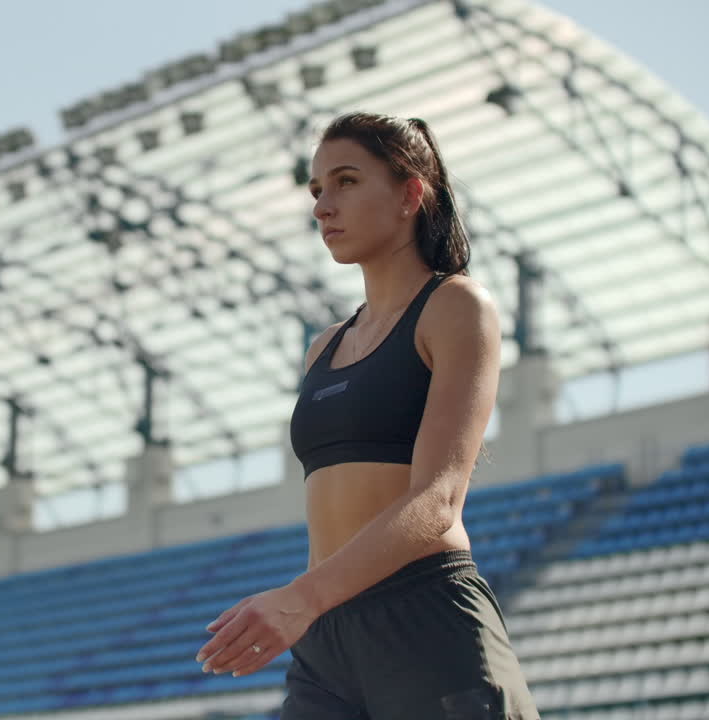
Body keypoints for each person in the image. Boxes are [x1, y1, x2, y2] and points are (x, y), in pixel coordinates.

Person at [193, 111, 539, 719]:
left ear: (411, 193)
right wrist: (311, 605)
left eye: (347, 181)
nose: (324, 206)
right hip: (326, 642)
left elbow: (436, 503)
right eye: (316, 190)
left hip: (424, 618)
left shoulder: (455, 306)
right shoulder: (323, 348)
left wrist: (300, 599)